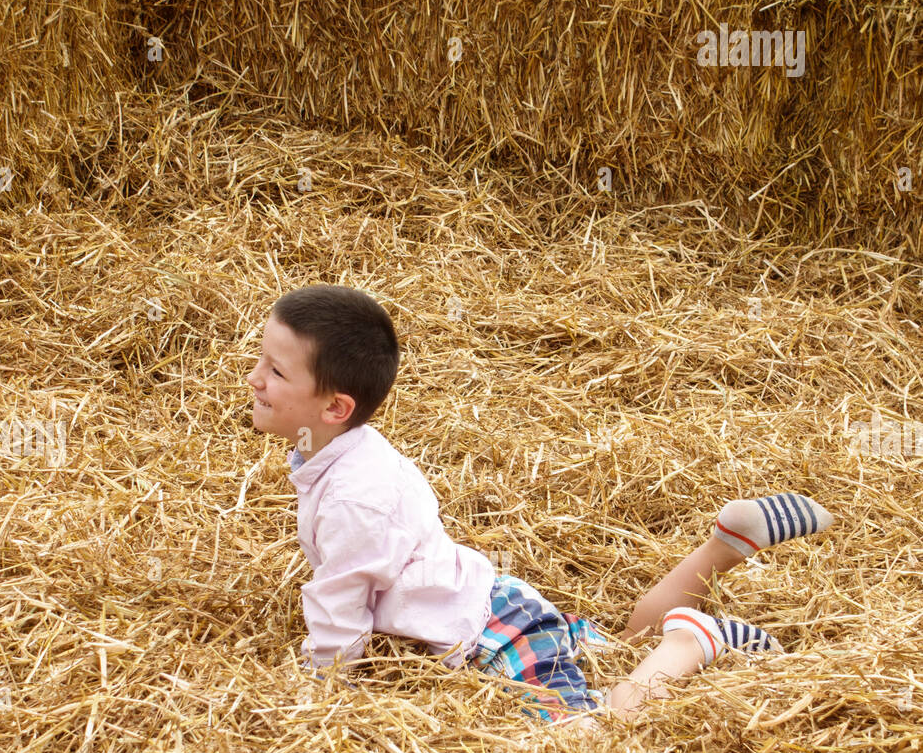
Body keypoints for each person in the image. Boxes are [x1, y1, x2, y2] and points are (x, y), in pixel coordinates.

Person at [249, 284, 833, 725]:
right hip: (501, 606)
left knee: (592, 732)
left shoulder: (355, 496)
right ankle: (724, 547)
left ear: (335, 408)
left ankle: (690, 644)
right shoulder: (344, 454)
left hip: (493, 635)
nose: (254, 379)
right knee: (626, 646)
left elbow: (340, 607)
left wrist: (320, 697)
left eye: (274, 372)